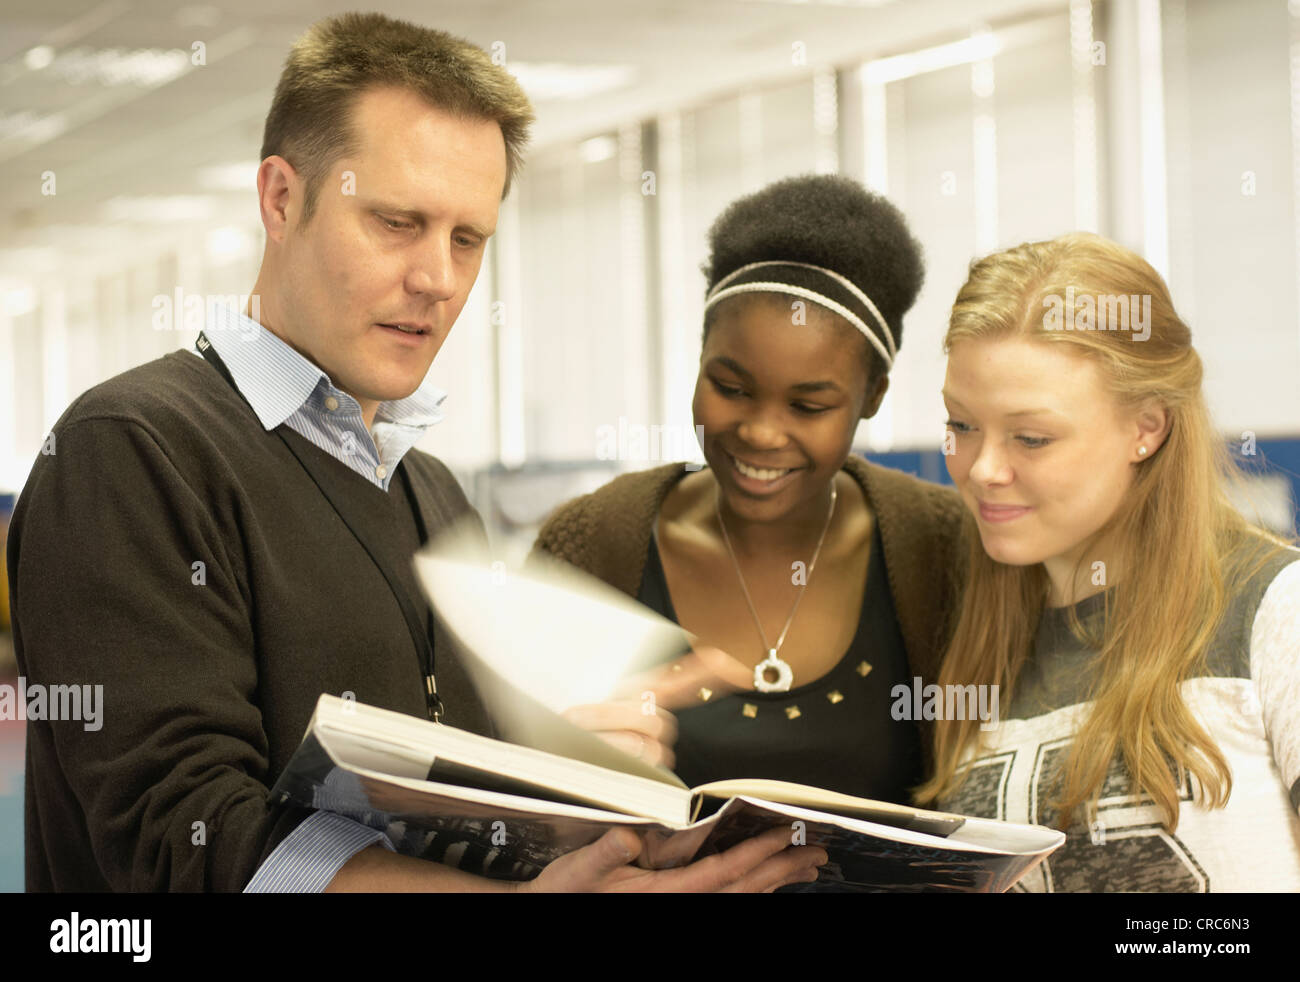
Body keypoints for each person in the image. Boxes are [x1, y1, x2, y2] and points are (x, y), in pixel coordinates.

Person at [6, 12, 825, 894]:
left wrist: (572, 810)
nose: (439, 277)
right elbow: (186, 843)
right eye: (397, 222)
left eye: (467, 239)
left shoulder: (431, 492)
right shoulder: (133, 451)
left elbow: (425, 813)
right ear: (282, 200)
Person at [533, 175, 966, 809]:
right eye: (731, 388)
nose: (760, 433)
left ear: (873, 397)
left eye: (809, 404)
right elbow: (496, 822)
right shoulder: (590, 544)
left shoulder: (945, 544)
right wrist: (556, 781)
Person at [915, 231, 1300, 891]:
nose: (982, 469)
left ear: (1146, 428)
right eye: (962, 424)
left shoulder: (1274, 607)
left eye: (1031, 437)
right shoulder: (978, 633)